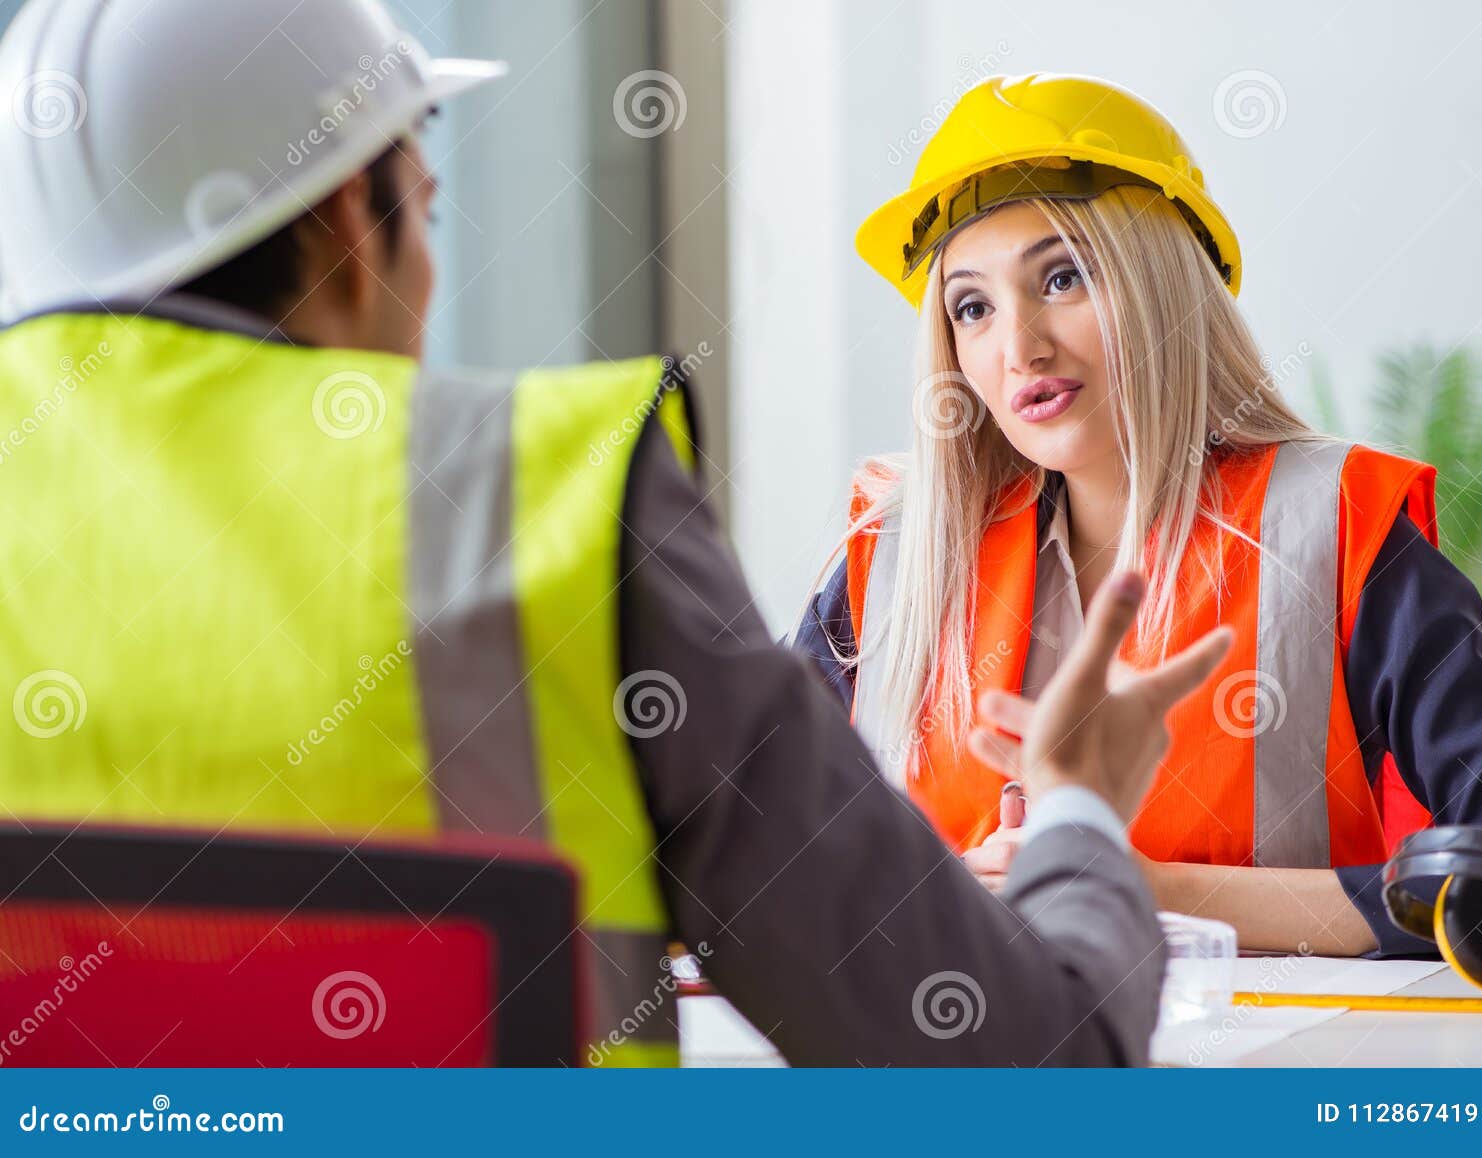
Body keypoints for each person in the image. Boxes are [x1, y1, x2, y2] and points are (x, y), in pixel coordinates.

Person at [0, 0, 1232, 1066]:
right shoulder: (538, 496)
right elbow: (1012, 1063)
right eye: (424, 213)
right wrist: (1077, 814)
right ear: (344, 222)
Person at [795, 74, 1482, 957]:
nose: (1018, 346)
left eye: (1062, 277)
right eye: (971, 307)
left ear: (1166, 288)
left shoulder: (1337, 529)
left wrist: (1139, 888)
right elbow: (745, 867)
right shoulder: (895, 557)